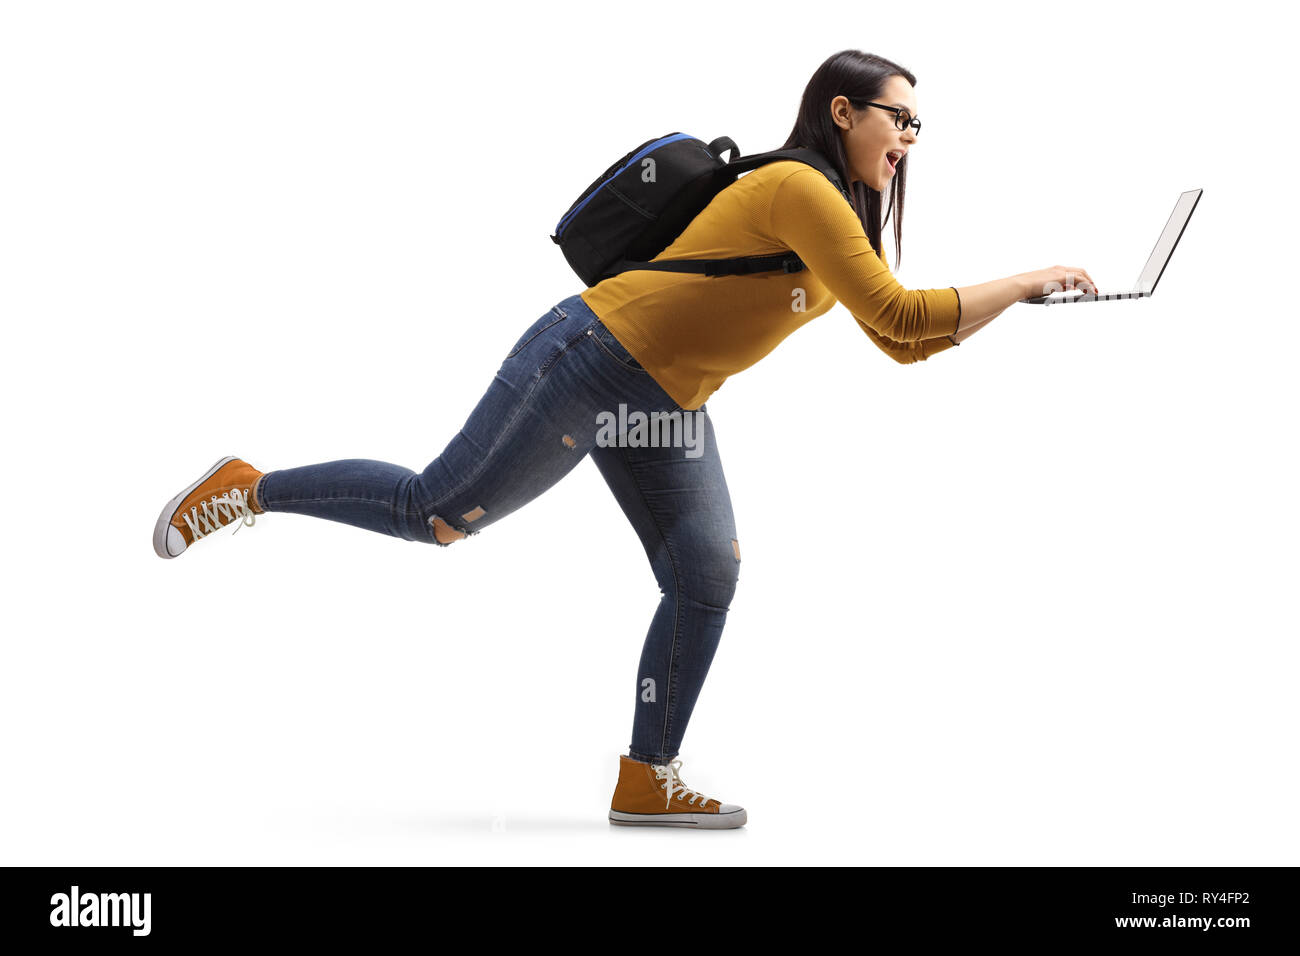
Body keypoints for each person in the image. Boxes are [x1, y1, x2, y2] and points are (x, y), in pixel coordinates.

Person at [152, 49, 1096, 830]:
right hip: (592, 358)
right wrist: (1022, 280)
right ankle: (251, 485)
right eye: (901, 120)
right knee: (431, 514)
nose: (910, 141)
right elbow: (900, 313)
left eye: (919, 127)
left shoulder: (844, 215)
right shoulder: (803, 187)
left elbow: (901, 342)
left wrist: (1022, 302)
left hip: (664, 403)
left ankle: (649, 775)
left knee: (706, 573)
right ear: (844, 112)